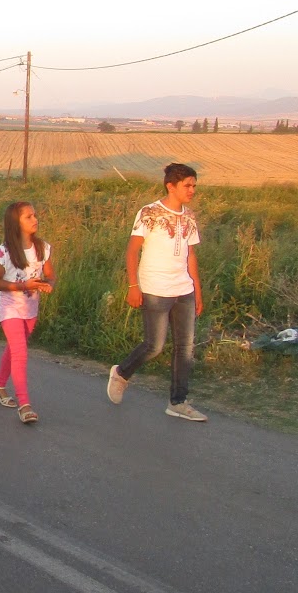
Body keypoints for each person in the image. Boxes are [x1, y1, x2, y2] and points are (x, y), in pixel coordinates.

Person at [107, 163, 207, 422]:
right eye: (187, 185)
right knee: (155, 346)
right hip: (155, 289)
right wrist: (132, 286)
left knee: (185, 347)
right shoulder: (149, 213)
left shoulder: (189, 216)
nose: (192, 190)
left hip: (183, 288)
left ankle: (178, 401)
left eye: (194, 185)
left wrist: (197, 291)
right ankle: (121, 373)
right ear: (170, 186)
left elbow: (191, 255)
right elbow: (132, 251)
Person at [0, 201, 55, 424]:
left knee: (15, 348)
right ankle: (25, 405)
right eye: (28, 217)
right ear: (15, 223)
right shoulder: (5, 251)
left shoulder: (42, 248)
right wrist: (22, 286)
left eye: (35, 215)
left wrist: (48, 284)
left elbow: (50, 275)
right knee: (20, 352)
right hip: (9, 306)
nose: (35, 219)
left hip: (30, 307)